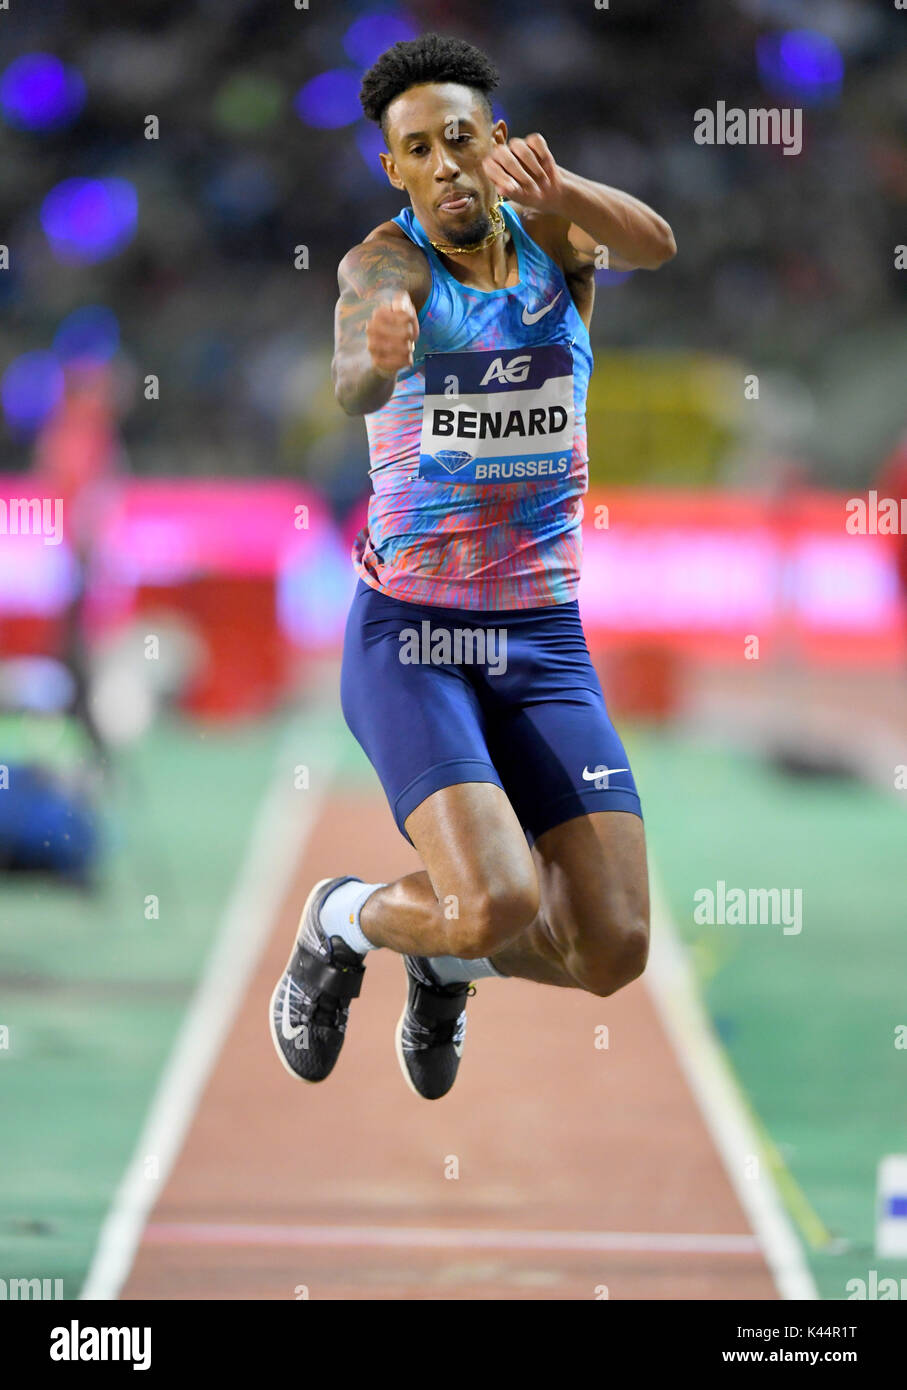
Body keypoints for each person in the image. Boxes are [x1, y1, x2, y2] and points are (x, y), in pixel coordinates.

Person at [270, 33, 675, 1099]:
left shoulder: (554, 239)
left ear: (495, 140)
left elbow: (659, 244)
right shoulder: (386, 267)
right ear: (392, 168)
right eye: (419, 150)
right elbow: (355, 374)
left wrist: (567, 185)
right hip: (413, 635)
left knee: (613, 947)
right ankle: (340, 920)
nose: (445, 164)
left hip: (541, 633)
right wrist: (377, 356)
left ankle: (441, 961)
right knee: (495, 897)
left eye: (461, 138)